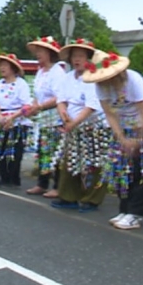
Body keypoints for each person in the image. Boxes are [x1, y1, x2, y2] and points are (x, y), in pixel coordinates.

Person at [83, 50, 143, 231]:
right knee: (123, 171)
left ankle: (136, 213)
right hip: (122, 128)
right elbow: (110, 114)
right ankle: (124, 209)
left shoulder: (133, 80)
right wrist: (122, 139)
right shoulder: (101, 87)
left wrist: (139, 139)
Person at [51, 39, 110, 213]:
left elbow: (91, 106)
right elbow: (61, 100)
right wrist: (64, 116)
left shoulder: (93, 78)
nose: (77, 60)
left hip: (94, 127)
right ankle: (69, 197)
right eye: (74, 56)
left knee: (95, 165)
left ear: (89, 59)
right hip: (73, 126)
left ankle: (92, 200)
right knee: (70, 162)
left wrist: (73, 123)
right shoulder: (68, 78)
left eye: (81, 56)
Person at [23, 36, 67, 197]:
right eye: (37, 52)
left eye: (41, 51)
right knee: (43, 151)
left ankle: (57, 185)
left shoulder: (58, 72)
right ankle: (42, 183)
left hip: (55, 116)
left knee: (55, 152)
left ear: (50, 53)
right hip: (43, 118)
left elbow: (59, 97)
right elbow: (37, 95)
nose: (38, 54)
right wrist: (32, 106)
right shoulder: (40, 72)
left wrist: (40, 106)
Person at [0, 53, 32, 187]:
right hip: (2, 120)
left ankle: (14, 178)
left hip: (17, 121)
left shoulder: (21, 84)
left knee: (15, 152)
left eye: (5, 65)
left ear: (13, 68)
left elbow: (26, 106)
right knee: (0, 150)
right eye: (1, 65)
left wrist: (12, 118)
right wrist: (0, 117)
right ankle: (3, 176)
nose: (2, 68)